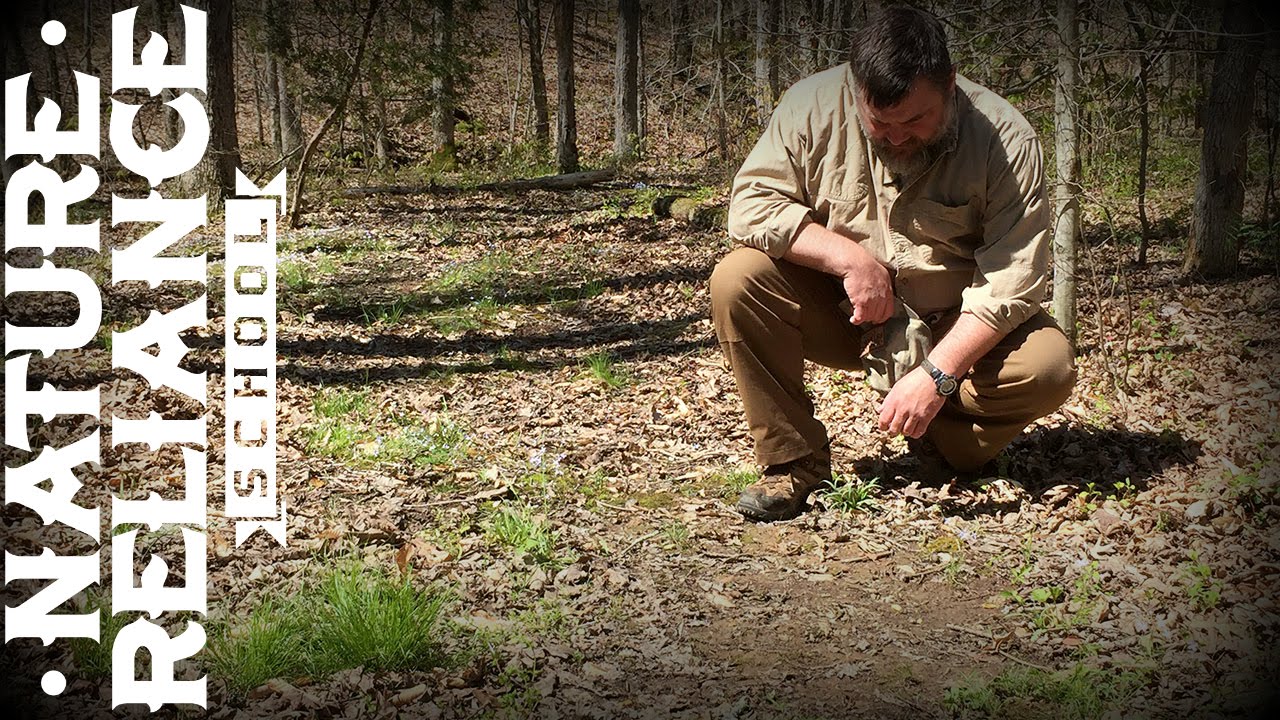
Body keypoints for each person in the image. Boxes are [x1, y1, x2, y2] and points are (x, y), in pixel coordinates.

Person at [710, 5, 1077, 522]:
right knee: (738, 279)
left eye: (915, 120)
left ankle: (941, 440)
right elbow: (751, 206)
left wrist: (938, 375)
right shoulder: (810, 106)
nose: (897, 137)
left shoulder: (1005, 138)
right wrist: (849, 260)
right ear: (855, 86)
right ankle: (792, 462)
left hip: (955, 322)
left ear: (950, 84)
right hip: (849, 316)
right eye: (879, 122)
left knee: (1047, 367)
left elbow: (1010, 281)